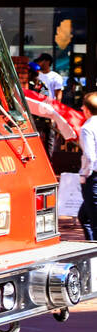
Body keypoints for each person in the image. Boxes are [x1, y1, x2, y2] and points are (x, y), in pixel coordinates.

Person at [78, 92, 97, 240]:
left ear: (87, 110)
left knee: (91, 219)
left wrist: (84, 175)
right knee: (85, 216)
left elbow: (90, 157)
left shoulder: (87, 128)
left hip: (93, 178)